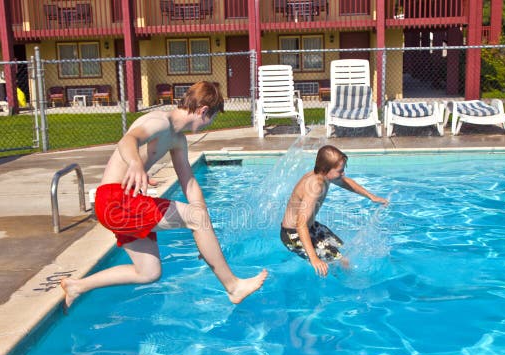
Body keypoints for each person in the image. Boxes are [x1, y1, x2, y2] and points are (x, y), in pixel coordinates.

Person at [61, 81, 268, 312]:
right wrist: (136, 164)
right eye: (212, 118)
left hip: (121, 202)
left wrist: (205, 237)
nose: (210, 123)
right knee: (196, 219)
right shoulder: (159, 121)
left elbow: (189, 183)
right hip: (115, 200)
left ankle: (77, 286)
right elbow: (127, 140)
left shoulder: (177, 139)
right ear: (203, 111)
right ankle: (233, 286)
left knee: (149, 272)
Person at [280, 145, 388, 277]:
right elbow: (300, 224)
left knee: (343, 251)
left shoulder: (323, 175)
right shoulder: (314, 187)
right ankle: (348, 282)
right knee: (339, 261)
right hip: (293, 234)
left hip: (311, 227)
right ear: (325, 170)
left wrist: (371, 196)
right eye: (340, 171)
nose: (343, 174)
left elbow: (345, 182)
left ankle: (344, 274)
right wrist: (314, 258)